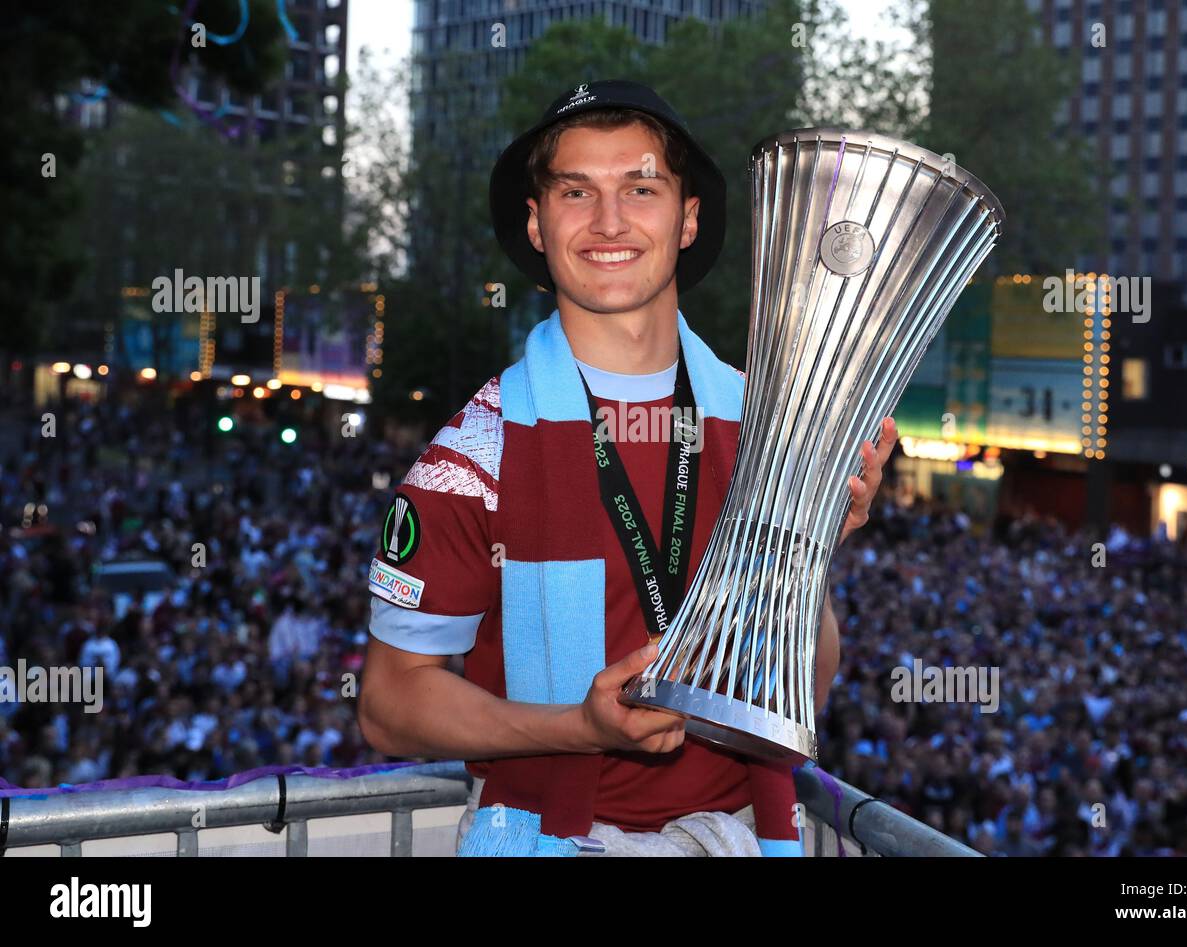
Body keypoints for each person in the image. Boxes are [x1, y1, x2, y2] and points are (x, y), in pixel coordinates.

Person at [358, 79, 895, 857]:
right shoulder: (473, 452)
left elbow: (801, 689)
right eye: (577, 191)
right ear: (537, 224)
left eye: (641, 188)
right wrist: (575, 728)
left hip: (741, 837)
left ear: (688, 218)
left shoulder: (770, 429)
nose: (609, 222)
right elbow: (388, 700)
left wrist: (808, 559)